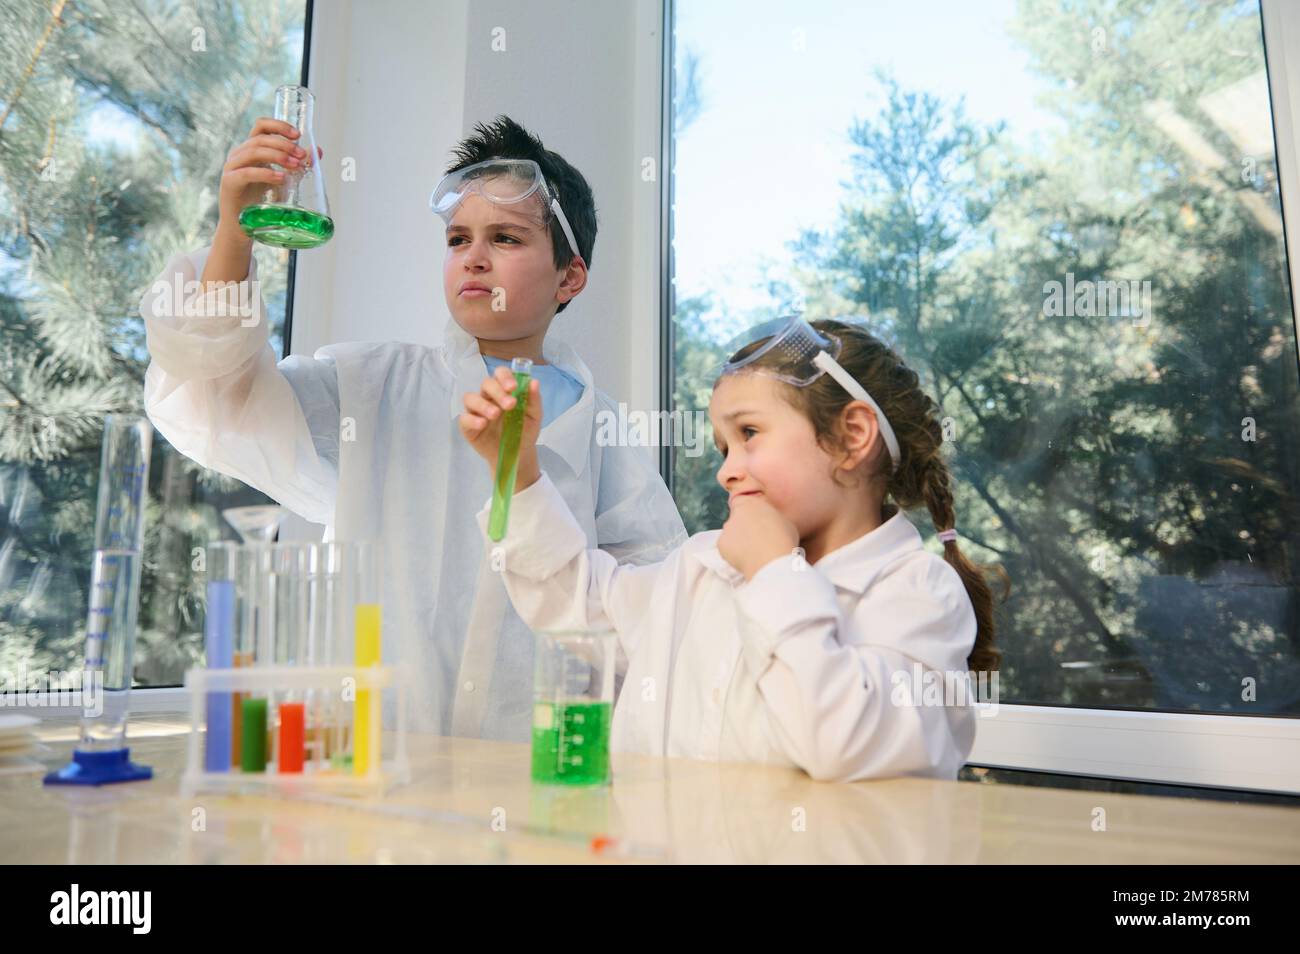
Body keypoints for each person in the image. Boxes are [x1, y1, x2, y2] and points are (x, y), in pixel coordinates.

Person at [139, 115, 686, 738]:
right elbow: (214, 396)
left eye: (505, 239)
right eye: (457, 240)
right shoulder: (371, 387)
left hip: (536, 781)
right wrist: (235, 235)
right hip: (372, 773)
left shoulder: (605, 436)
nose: (474, 258)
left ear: (570, 276)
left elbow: (647, 619)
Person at [460, 316, 1007, 781]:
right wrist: (516, 466)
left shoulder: (918, 594)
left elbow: (842, 742)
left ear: (853, 437)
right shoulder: (701, 565)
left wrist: (774, 572)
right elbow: (575, 600)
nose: (726, 471)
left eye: (749, 432)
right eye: (723, 445)